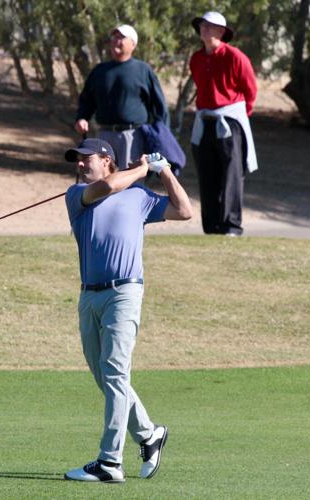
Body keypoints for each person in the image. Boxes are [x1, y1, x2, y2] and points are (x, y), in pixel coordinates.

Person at [61, 138, 193, 483]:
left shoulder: (139, 197)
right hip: (89, 297)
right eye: (76, 160)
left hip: (125, 293)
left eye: (84, 159)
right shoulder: (77, 195)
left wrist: (163, 172)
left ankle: (109, 462)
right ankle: (149, 435)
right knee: (105, 377)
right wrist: (143, 168)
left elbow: (184, 210)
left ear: (106, 159)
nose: (78, 165)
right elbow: (107, 186)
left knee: (116, 373)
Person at [188, 11, 258, 236]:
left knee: (232, 174)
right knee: (207, 173)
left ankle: (231, 225)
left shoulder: (235, 57)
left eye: (210, 26)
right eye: (202, 26)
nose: (205, 29)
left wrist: (239, 116)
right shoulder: (196, 58)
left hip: (229, 122)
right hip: (205, 121)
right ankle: (211, 226)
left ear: (221, 31)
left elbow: (250, 90)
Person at [74, 24, 169, 171]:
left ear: (133, 44)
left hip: (132, 136)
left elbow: (159, 106)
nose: (116, 41)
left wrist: (161, 137)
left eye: (121, 37)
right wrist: (82, 117)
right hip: (103, 135)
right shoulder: (100, 71)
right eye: (114, 37)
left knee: (129, 183)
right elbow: (87, 99)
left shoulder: (143, 70)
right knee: (102, 181)